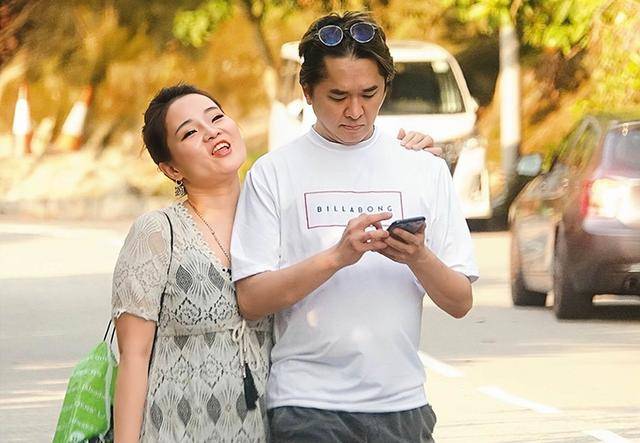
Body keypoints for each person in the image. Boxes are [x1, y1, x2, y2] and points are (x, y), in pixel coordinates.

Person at [111, 83, 438, 442]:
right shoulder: (158, 233)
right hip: (175, 430)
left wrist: (408, 154)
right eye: (190, 132)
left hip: (264, 430)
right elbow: (134, 357)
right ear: (172, 168)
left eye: (216, 118)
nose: (211, 132)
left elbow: (350, 167)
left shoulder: (280, 214)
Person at [232, 11, 479, 443]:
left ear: (386, 86)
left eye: (369, 93)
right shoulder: (273, 173)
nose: (355, 111)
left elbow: (460, 302)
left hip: (403, 405)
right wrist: (337, 257)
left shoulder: (423, 167)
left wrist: (418, 257)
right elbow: (251, 300)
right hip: (306, 405)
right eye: (337, 96)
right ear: (307, 92)